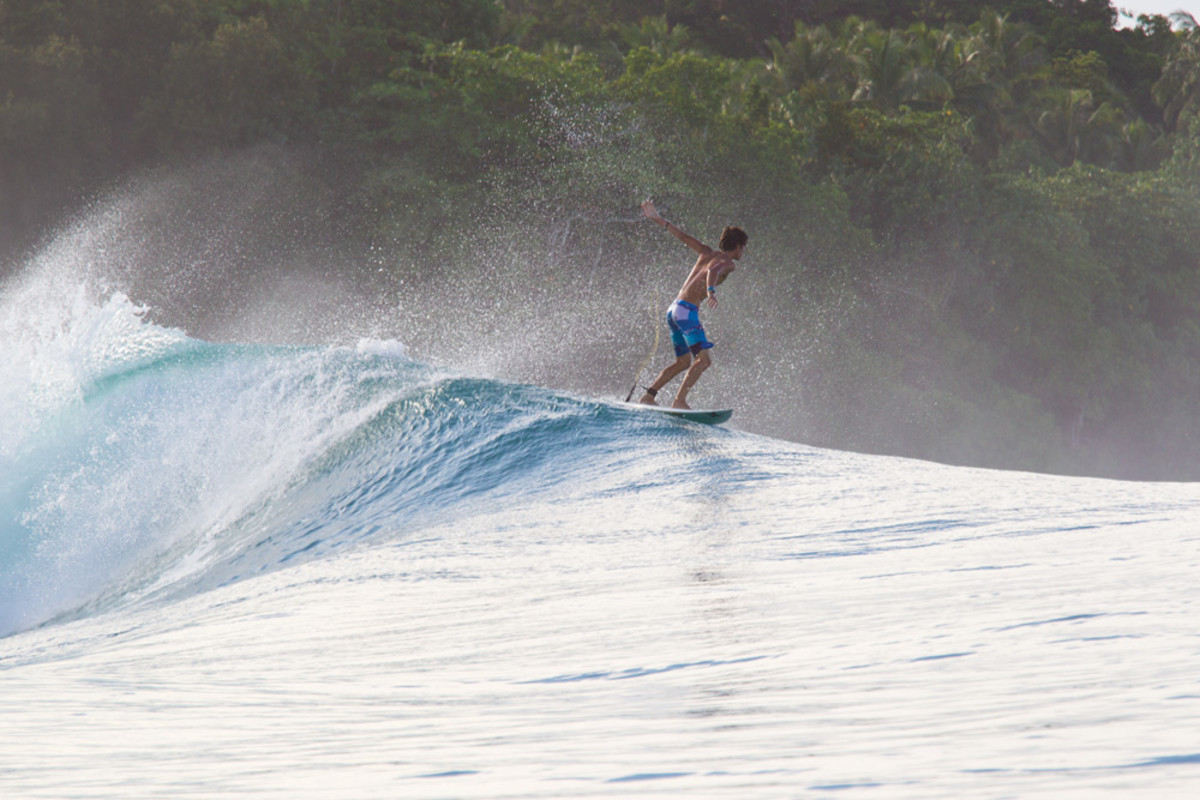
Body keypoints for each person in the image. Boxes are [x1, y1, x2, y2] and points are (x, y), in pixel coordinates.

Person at [637, 199, 747, 409]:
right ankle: (679, 401)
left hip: (673, 310)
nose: (744, 253)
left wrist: (658, 219)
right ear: (738, 246)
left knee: (683, 362)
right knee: (704, 360)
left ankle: (649, 395)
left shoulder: (705, 251)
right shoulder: (728, 264)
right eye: (744, 248)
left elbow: (683, 236)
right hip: (686, 312)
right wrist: (711, 291)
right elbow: (713, 271)